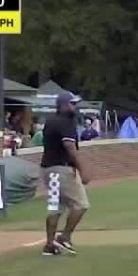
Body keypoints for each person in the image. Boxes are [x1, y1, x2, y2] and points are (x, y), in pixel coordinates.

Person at [40, 91, 90, 256]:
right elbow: (70, 148)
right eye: (72, 103)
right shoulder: (65, 122)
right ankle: (64, 237)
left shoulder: (51, 121)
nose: (74, 106)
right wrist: (82, 169)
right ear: (63, 105)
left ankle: (49, 244)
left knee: (56, 207)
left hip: (49, 169)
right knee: (81, 204)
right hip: (61, 169)